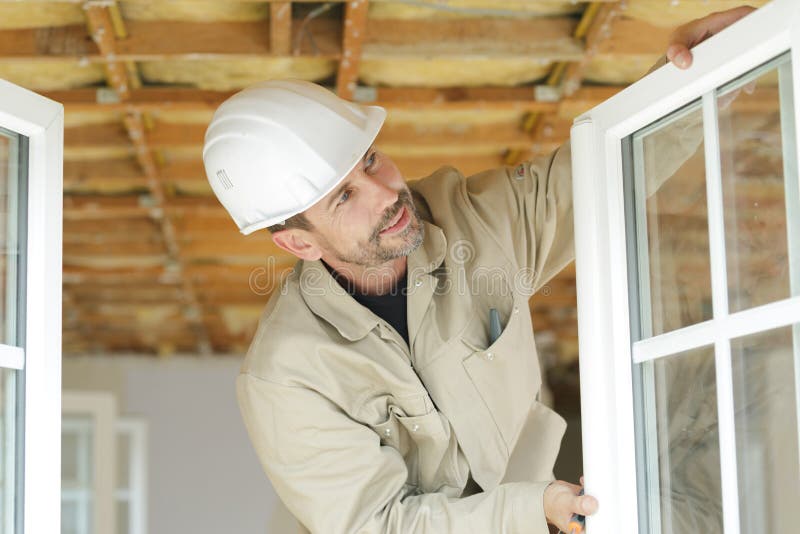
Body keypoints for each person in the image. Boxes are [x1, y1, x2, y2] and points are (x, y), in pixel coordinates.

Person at [202, 6, 756, 533]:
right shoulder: (287, 376)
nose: (386, 192)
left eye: (370, 159)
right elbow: (382, 524)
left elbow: (599, 177)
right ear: (299, 241)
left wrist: (690, 78)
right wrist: (529, 508)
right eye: (344, 197)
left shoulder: (474, 223)